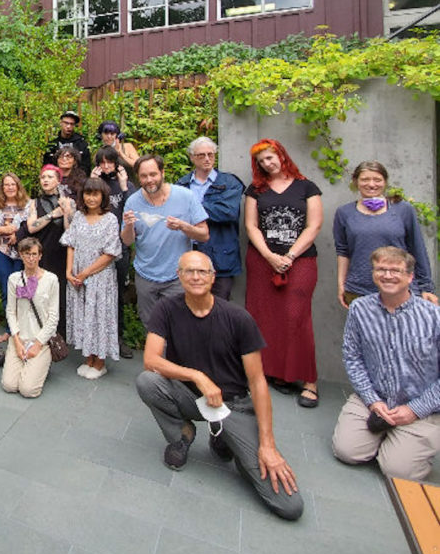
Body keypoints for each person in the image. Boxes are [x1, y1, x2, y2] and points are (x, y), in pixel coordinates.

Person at [135, 251, 303, 521]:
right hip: (190, 395)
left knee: (288, 505)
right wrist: (197, 376)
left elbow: (258, 382)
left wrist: (268, 445)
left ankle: (223, 436)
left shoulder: (238, 318)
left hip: (232, 405)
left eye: (202, 271)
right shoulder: (167, 309)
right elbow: (151, 361)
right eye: (189, 271)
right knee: (148, 382)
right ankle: (182, 435)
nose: (196, 277)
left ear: (213, 277)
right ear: (179, 276)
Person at [332, 246, 440, 481]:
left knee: (397, 471)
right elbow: (353, 358)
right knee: (346, 451)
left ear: (410, 277)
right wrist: (372, 400)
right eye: (381, 269)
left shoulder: (433, 316)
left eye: (395, 270)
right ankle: (388, 437)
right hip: (375, 397)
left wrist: (415, 409)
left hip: (422, 406)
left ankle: (404, 442)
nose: (387, 275)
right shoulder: (360, 309)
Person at [244, 139, 323, 408]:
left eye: (271, 157)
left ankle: (308, 380)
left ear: (282, 155)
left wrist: (289, 256)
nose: (268, 163)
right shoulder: (256, 189)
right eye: (262, 160)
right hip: (261, 260)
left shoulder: (307, 187)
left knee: (296, 317)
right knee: (262, 316)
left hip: (300, 261)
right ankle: (268, 373)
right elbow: (251, 226)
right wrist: (269, 256)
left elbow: (314, 226)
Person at [121, 154, 209, 330]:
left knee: (180, 326)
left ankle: (175, 358)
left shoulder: (185, 196)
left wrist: (184, 226)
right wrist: (129, 226)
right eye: (144, 176)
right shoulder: (133, 201)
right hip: (145, 276)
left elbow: (204, 235)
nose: (149, 180)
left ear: (162, 173)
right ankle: (157, 358)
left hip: (177, 276)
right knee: (151, 326)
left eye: (153, 174)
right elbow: (126, 241)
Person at [333, 161, 436, 307]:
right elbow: (343, 251)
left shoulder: (403, 210)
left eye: (377, 179)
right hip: (359, 289)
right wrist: (341, 285)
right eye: (365, 179)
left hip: (399, 287)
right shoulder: (344, 213)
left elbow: (417, 248)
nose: (371, 184)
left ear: (385, 182)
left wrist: (426, 287)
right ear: (356, 182)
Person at [61, 178, 123, 379]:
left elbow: (110, 253)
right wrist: (69, 272)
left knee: (99, 316)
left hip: (99, 277)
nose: (91, 198)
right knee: (84, 316)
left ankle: (100, 362)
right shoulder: (78, 216)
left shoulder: (110, 219)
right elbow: (71, 243)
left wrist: (85, 273)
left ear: (103, 196)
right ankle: (88, 358)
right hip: (77, 277)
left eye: (95, 194)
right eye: (88, 193)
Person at [176, 137, 245, 300]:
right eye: (201, 155)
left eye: (211, 154)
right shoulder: (182, 185)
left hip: (221, 255)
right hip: (190, 251)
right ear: (192, 158)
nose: (207, 159)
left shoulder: (230, 182)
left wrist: (192, 207)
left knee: (219, 306)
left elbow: (227, 212)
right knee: (189, 305)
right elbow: (177, 213)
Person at [91, 147, 136, 356]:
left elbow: (133, 211)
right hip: (95, 248)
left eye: (110, 162)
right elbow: (86, 209)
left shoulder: (125, 185)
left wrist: (125, 186)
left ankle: (117, 338)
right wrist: (92, 183)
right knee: (94, 294)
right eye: (102, 162)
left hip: (119, 247)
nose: (106, 166)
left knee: (117, 294)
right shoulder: (95, 186)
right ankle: (95, 337)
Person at [2, 237, 60, 398]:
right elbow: (11, 311)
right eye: (27, 254)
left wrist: (38, 343)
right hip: (20, 337)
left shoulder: (51, 280)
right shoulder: (14, 279)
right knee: (9, 385)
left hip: (40, 340)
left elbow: (54, 316)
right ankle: (28, 366)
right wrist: (16, 339)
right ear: (20, 255)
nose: (31, 258)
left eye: (34, 254)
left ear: (40, 255)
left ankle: (40, 365)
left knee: (28, 390)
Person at [21, 164, 73, 338]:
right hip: (40, 255)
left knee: (60, 297)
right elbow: (31, 228)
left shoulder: (67, 202)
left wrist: (65, 212)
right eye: (43, 177)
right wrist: (52, 215)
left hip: (61, 255)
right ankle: (38, 330)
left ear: (58, 181)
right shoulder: (34, 203)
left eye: (50, 177)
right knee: (38, 294)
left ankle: (60, 335)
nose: (45, 180)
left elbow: (70, 230)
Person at [0, 173, 33, 343]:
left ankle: (23, 329)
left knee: (22, 291)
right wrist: (4, 230)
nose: (10, 187)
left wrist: (17, 234)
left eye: (13, 184)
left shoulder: (28, 204)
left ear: (18, 185)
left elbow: (31, 226)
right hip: (3, 252)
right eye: (6, 185)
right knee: (6, 290)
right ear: (2, 188)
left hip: (22, 254)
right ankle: (9, 329)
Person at [43, 110, 90, 175]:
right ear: (61, 123)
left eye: (71, 124)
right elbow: (47, 167)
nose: (68, 126)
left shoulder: (82, 144)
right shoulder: (52, 145)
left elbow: (86, 167)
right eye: (66, 123)